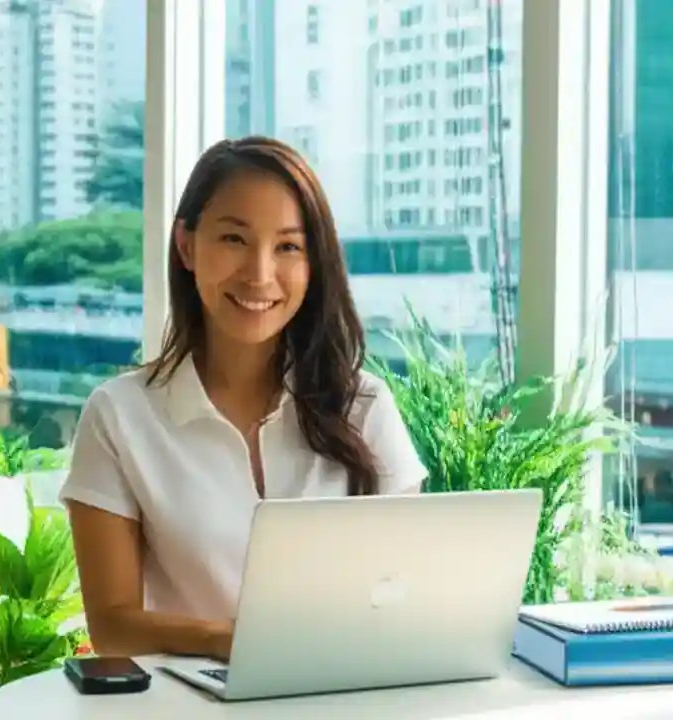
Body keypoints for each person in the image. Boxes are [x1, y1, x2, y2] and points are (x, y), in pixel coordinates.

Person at [59, 136, 427, 661]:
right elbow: (113, 626)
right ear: (187, 245)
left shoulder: (365, 406)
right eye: (234, 239)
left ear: (314, 263)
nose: (259, 274)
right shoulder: (119, 416)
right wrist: (229, 642)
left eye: (288, 247)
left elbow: (404, 596)